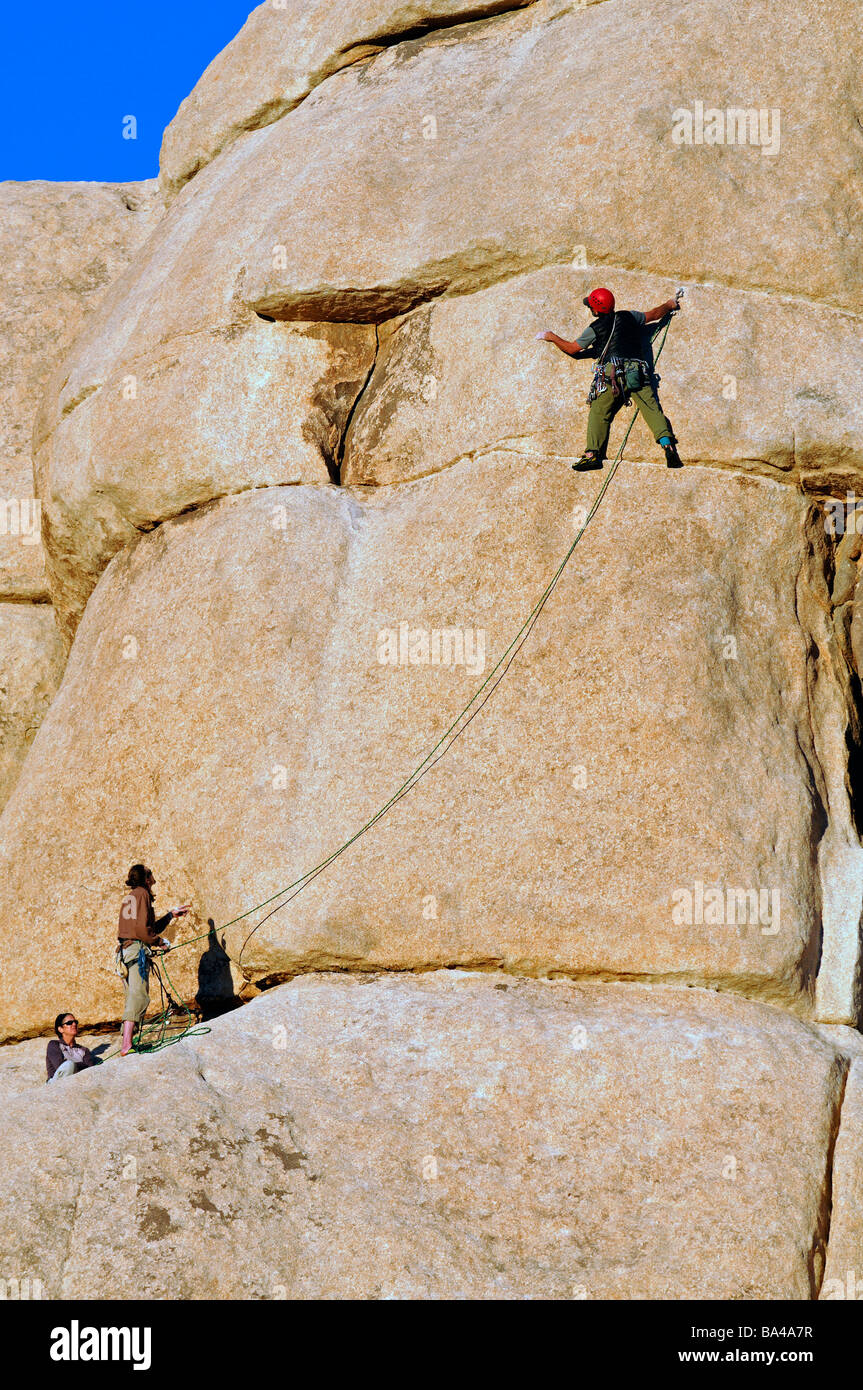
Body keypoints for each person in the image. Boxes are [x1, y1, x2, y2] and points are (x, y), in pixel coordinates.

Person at [536, 286, 683, 471]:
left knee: (599, 412)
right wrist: (670, 304)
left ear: (596, 310)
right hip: (637, 371)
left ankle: (592, 456)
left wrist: (552, 337)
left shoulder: (594, 328)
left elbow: (573, 349)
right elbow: (654, 314)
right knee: (651, 408)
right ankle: (668, 445)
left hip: (612, 374)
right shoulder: (630, 316)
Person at [117, 864, 190, 1057]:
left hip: (126, 951)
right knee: (139, 996)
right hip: (137, 951)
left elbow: (143, 927)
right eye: (151, 875)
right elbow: (143, 931)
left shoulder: (131, 896)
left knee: (132, 995)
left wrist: (170, 916)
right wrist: (160, 942)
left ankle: (127, 1041)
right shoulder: (143, 894)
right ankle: (126, 1045)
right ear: (146, 878)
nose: (154, 879)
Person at [46, 1012, 97, 1082]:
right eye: (69, 1023)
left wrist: (80, 1066)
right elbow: (60, 1066)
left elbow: (91, 1069)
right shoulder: (54, 1045)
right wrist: (82, 1065)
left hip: (76, 1083)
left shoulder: (84, 1050)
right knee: (69, 1065)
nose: (74, 1024)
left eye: (75, 1022)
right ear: (60, 1029)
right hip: (55, 1084)